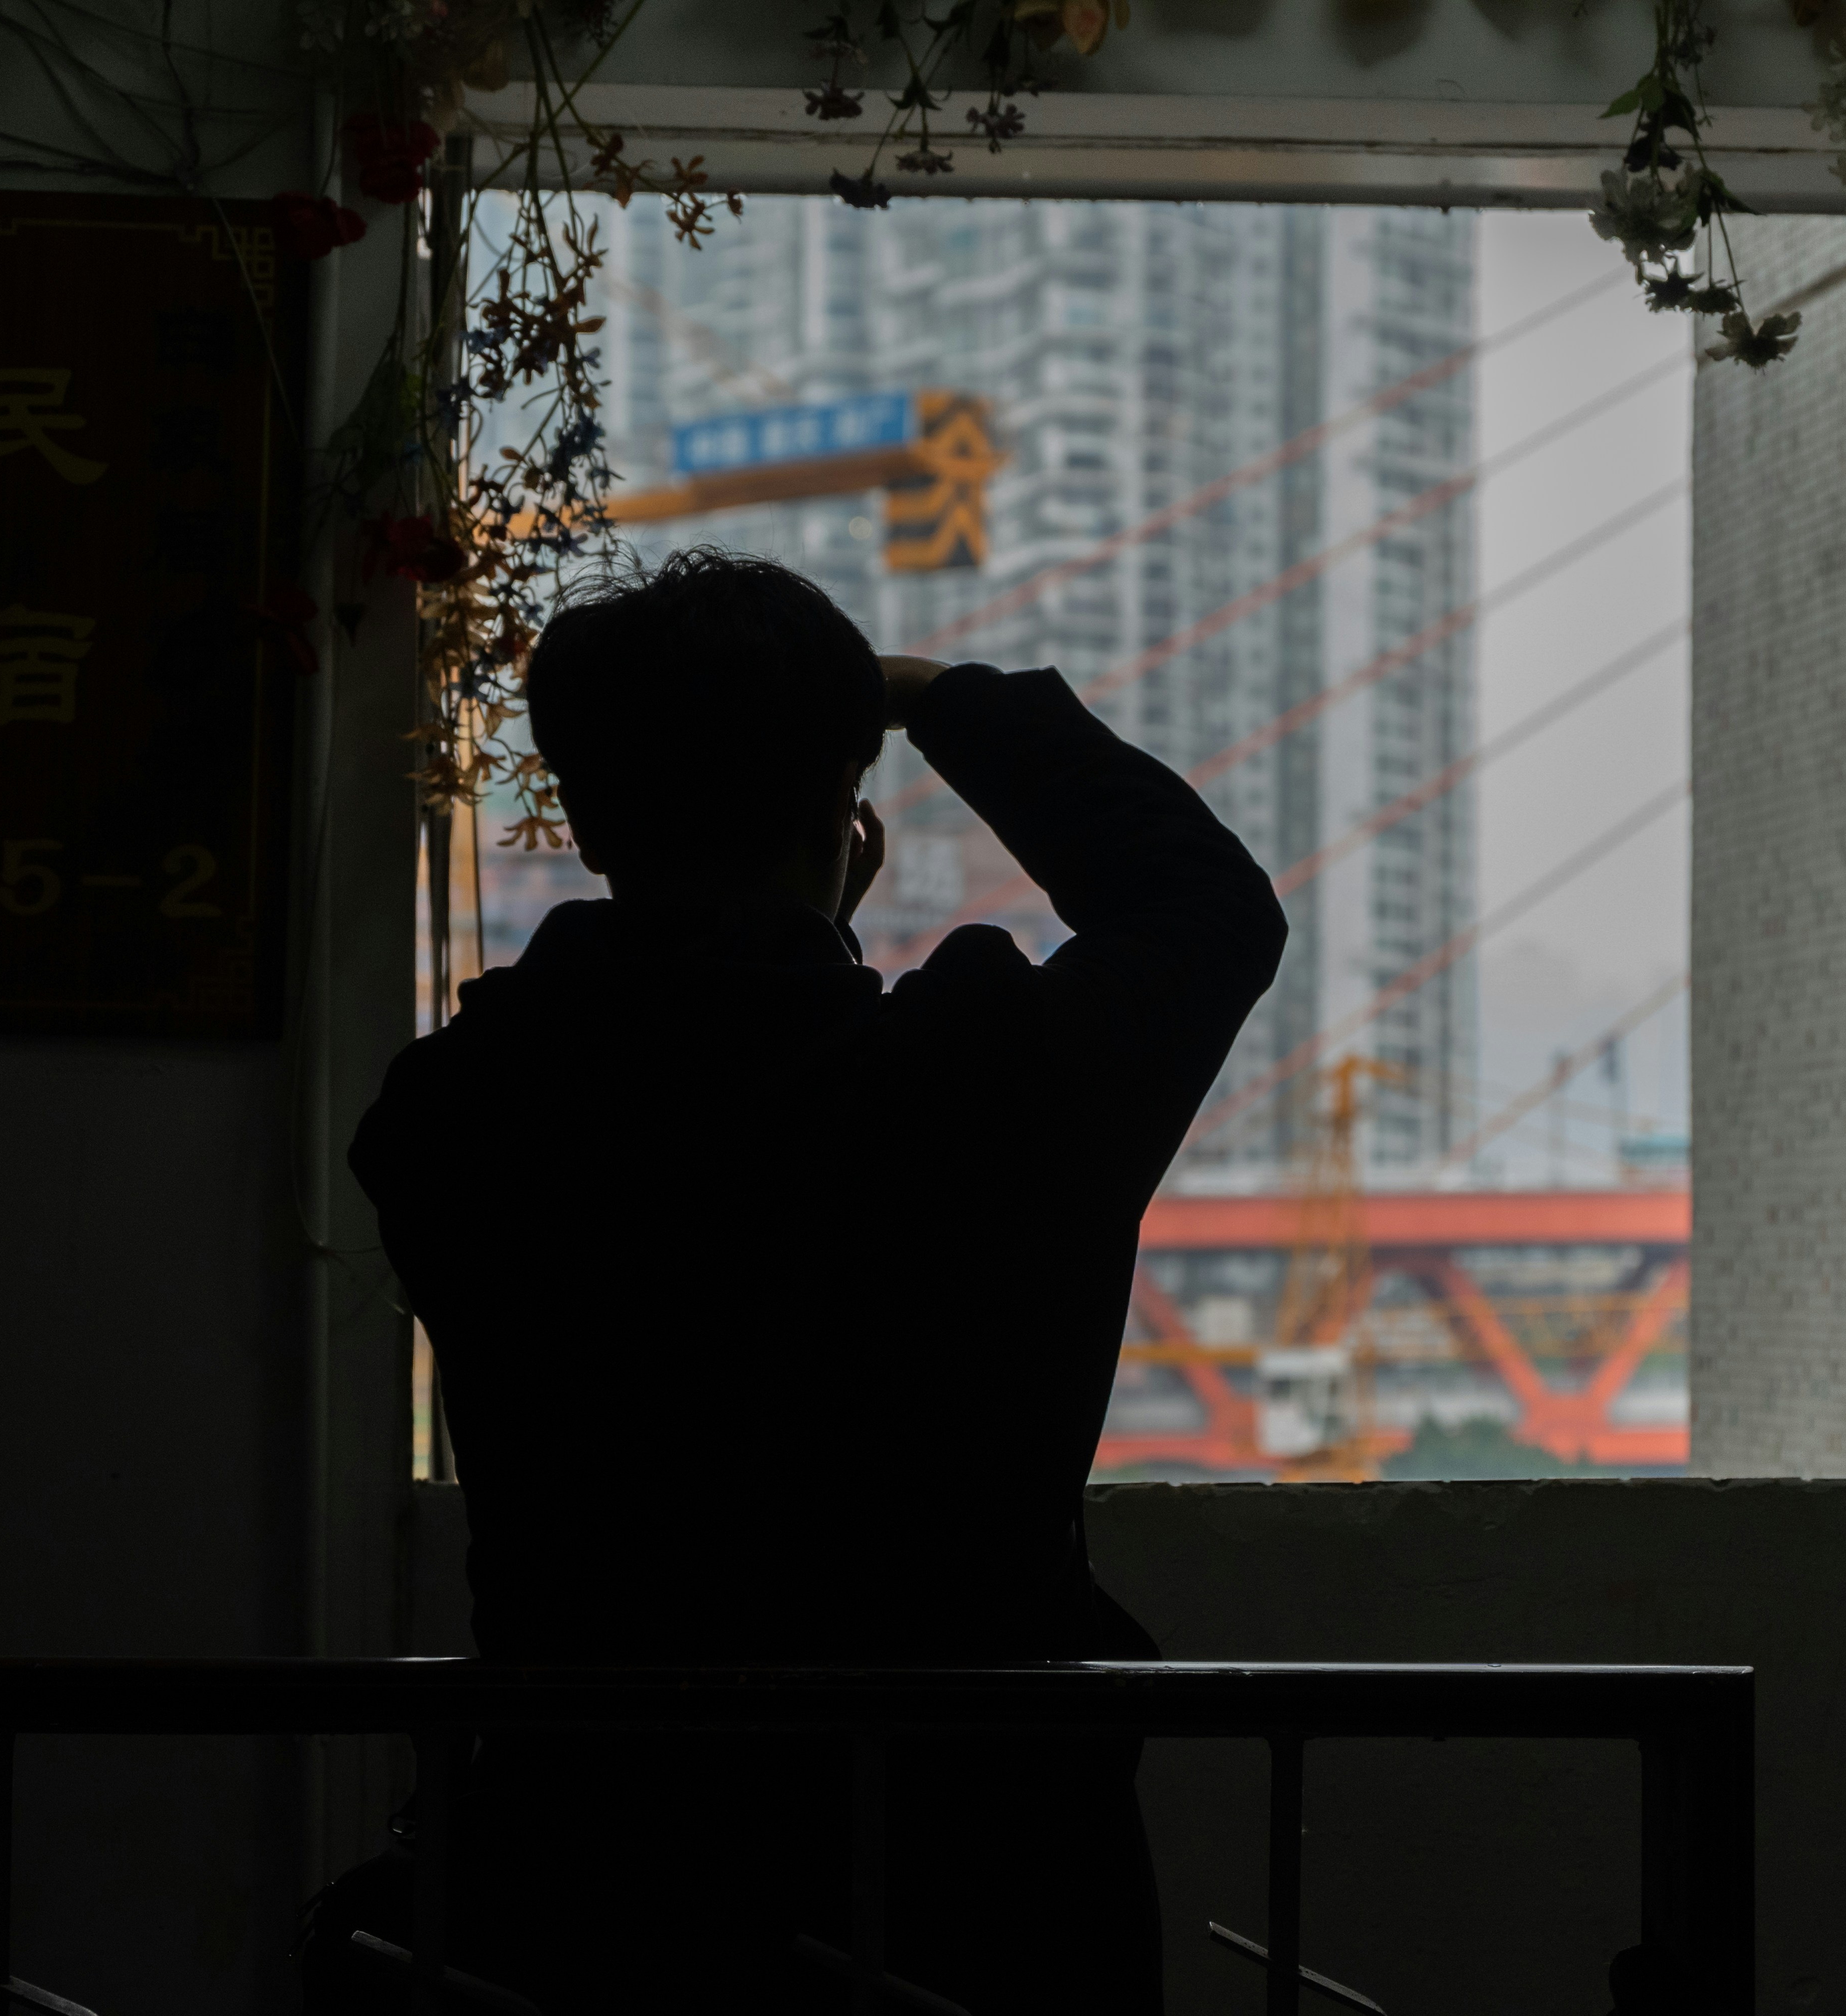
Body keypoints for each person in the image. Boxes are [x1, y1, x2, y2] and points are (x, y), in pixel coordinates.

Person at [321, 547, 1287, 2015]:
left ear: (581, 820)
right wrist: (935, 702)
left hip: (579, 1881)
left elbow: (674, 1087)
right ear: (844, 820)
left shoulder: (452, 1126)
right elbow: (1208, 912)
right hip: (970, 1883)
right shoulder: (979, 1088)